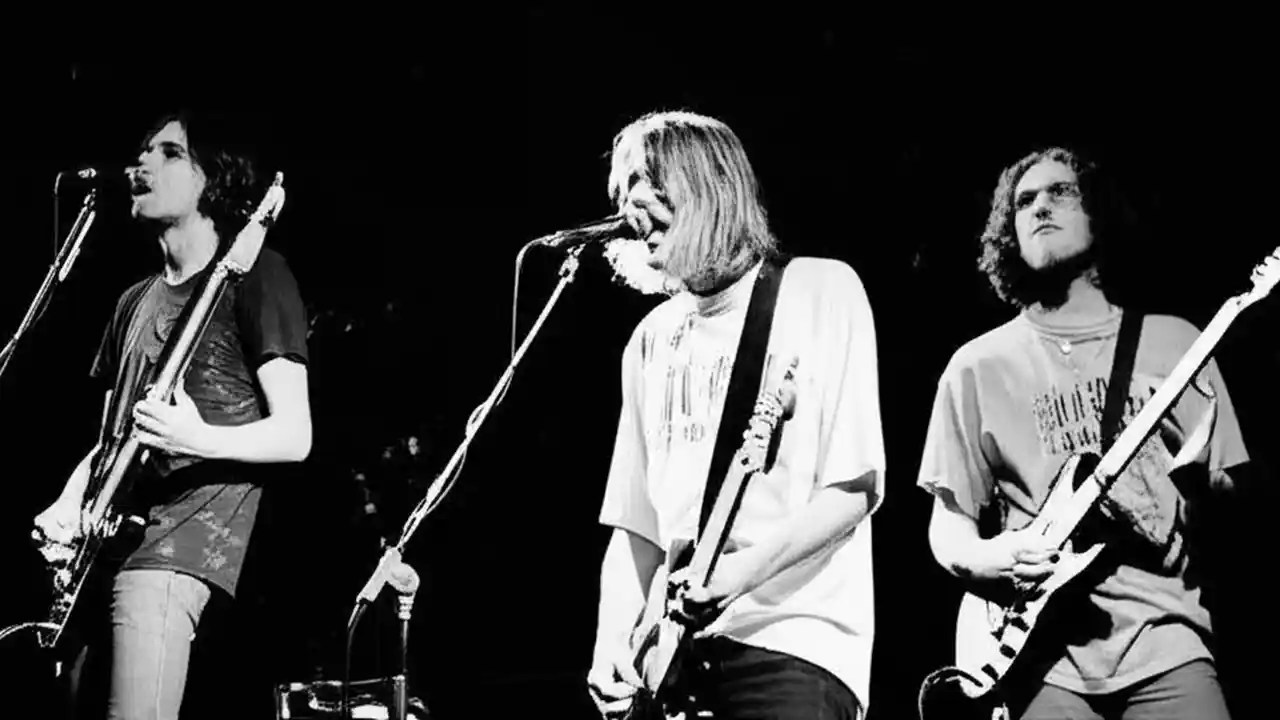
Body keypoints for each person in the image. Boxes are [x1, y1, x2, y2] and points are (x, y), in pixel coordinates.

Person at [917, 146, 1250, 719]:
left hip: (1166, 636)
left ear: (1098, 213)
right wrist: (987, 562)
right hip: (1039, 658)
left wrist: (1199, 487)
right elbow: (949, 527)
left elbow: (1237, 520)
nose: (1040, 207)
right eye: (1024, 201)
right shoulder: (976, 366)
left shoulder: (1176, 345)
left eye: (1060, 192)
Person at [585, 110, 885, 720]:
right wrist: (611, 640)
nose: (628, 203)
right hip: (669, 659)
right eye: (621, 189)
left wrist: (738, 574)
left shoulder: (819, 291)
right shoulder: (649, 339)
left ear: (708, 181)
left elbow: (854, 488)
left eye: (645, 178)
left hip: (793, 641)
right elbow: (635, 526)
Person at [31, 109, 312, 719]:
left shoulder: (257, 274)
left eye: (168, 152)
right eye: (141, 152)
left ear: (212, 178)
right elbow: (111, 437)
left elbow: (296, 436)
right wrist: (68, 501)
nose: (141, 164)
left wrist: (197, 435)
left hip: (175, 549)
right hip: (100, 553)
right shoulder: (132, 301)